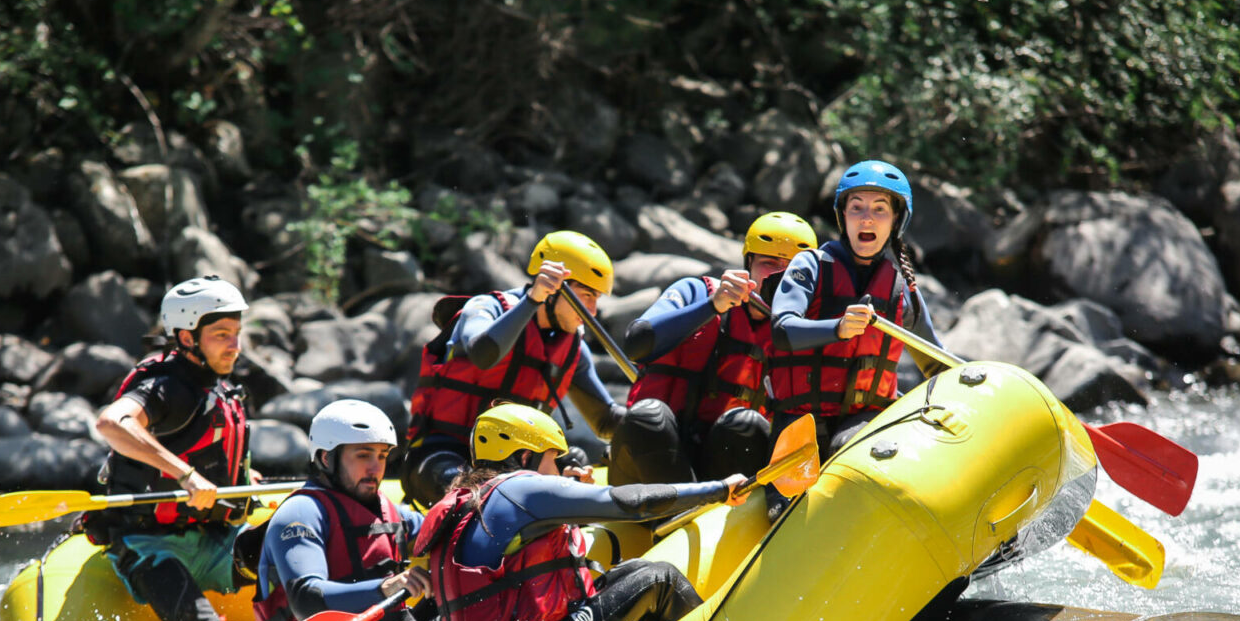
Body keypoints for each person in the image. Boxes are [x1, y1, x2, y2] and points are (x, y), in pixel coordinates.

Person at [412, 404, 749, 621]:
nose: (558, 470)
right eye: (552, 460)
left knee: (626, 575)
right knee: (658, 579)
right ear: (525, 457)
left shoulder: (469, 501)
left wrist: (564, 492)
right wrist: (719, 490)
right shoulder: (522, 490)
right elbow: (632, 503)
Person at [253, 399, 454, 621]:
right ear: (327, 458)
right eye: (363, 455)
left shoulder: (392, 512)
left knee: (470, 603)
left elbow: (453, 535)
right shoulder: (300, 513)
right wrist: (387, 587)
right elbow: (307, 599)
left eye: (381, 455)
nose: (376, 467)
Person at [90, 275, 254, 621]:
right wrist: (185, 475)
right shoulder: (165, 386)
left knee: (286, 555)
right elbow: (112, 422)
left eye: (236, 333)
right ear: (186, 336)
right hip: (151, 546)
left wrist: (243, 477)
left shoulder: (218, 386)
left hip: (215, 538)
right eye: (221, 335)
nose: (234, 345)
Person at [402, 230, 625, 509]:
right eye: (585, 296)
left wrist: (653, 417)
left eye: (596, 299)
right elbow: (483, 354)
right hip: (444, 453)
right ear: (555, 288)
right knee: (460, 483)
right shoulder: (485, 308)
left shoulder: (572, 348)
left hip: (517, 464)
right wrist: (533, 299)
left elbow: (605, 421)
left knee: (574, 461)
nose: (591, 311)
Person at [608, 212, 817, 486]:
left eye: (791, 270)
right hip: (653, 454)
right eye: (769, 263)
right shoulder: (697, 292)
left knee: (746, 424)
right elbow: (636, 344)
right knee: (650, 416)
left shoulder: (802, 331)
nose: (779, 276)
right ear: (748, 264)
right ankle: (680, 511)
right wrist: (713, 306)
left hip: (723, 465)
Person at [768, 160, 948, 458]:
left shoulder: (899, 292)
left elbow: (937, 367)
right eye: (856, 208)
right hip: (799, 425)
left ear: (895, 221)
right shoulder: (810, 266)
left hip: (861, 424)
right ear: (843, 216)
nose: (867, 219)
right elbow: (782, 330)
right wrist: (838, 328)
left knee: (847, 443)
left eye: (880, 209)